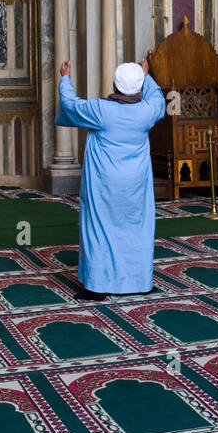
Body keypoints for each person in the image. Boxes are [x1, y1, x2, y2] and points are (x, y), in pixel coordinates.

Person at [56, 56, 165, 300]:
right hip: (135, 184)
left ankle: (96, 287)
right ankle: (140, 283)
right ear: (138, 87)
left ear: (115, 86)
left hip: (103, 183)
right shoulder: (147, 111)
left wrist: (65, 79)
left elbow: (70, 104)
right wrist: (146, 76)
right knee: (137, 228)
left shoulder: (100, 110)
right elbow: (158, 97)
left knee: (99, 228)